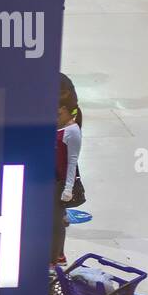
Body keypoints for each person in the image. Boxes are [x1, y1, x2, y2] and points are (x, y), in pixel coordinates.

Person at [53, 96, 84, 266]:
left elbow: (73, 161)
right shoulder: (60, 125)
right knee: (53, 220)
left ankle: (58, 257)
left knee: (56, 222)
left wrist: (68, 188)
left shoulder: (72, 131)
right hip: (51, 179)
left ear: (65, 109)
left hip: (59, 183)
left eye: (58, 112)